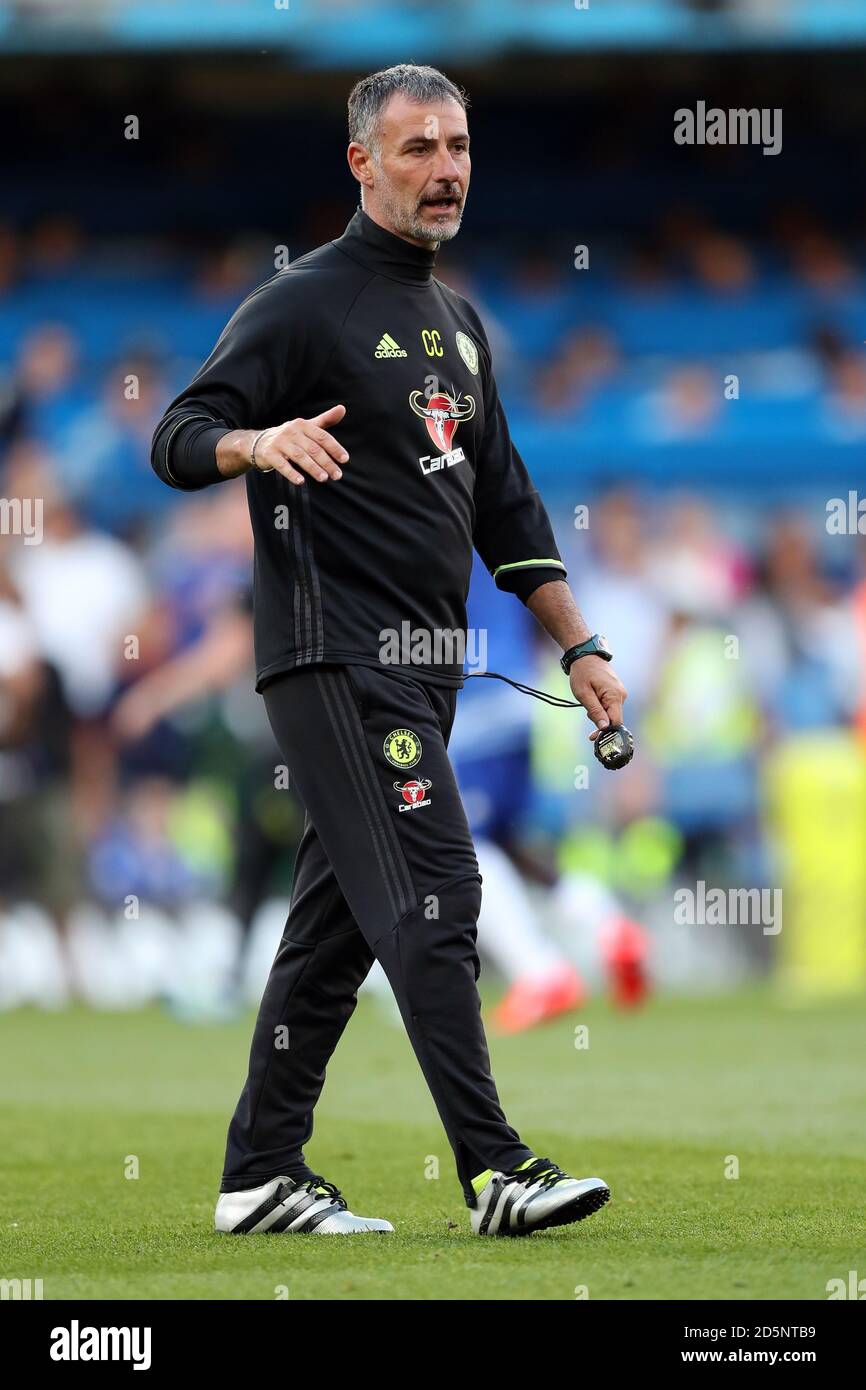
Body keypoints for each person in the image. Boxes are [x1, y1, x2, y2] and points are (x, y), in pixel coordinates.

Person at [151, 64, 626, 1238]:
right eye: (416, 148)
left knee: (338, 927)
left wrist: (580, 646)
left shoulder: (459, 328)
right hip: (334, 654)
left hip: (424, 664)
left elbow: (507, 513)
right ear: (360, 162)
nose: (443, 169)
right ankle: (494, 1168)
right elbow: (176, 433)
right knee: (438, 886)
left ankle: (261, 1172)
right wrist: (253, 442)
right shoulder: (302, 302)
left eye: (457, 146)